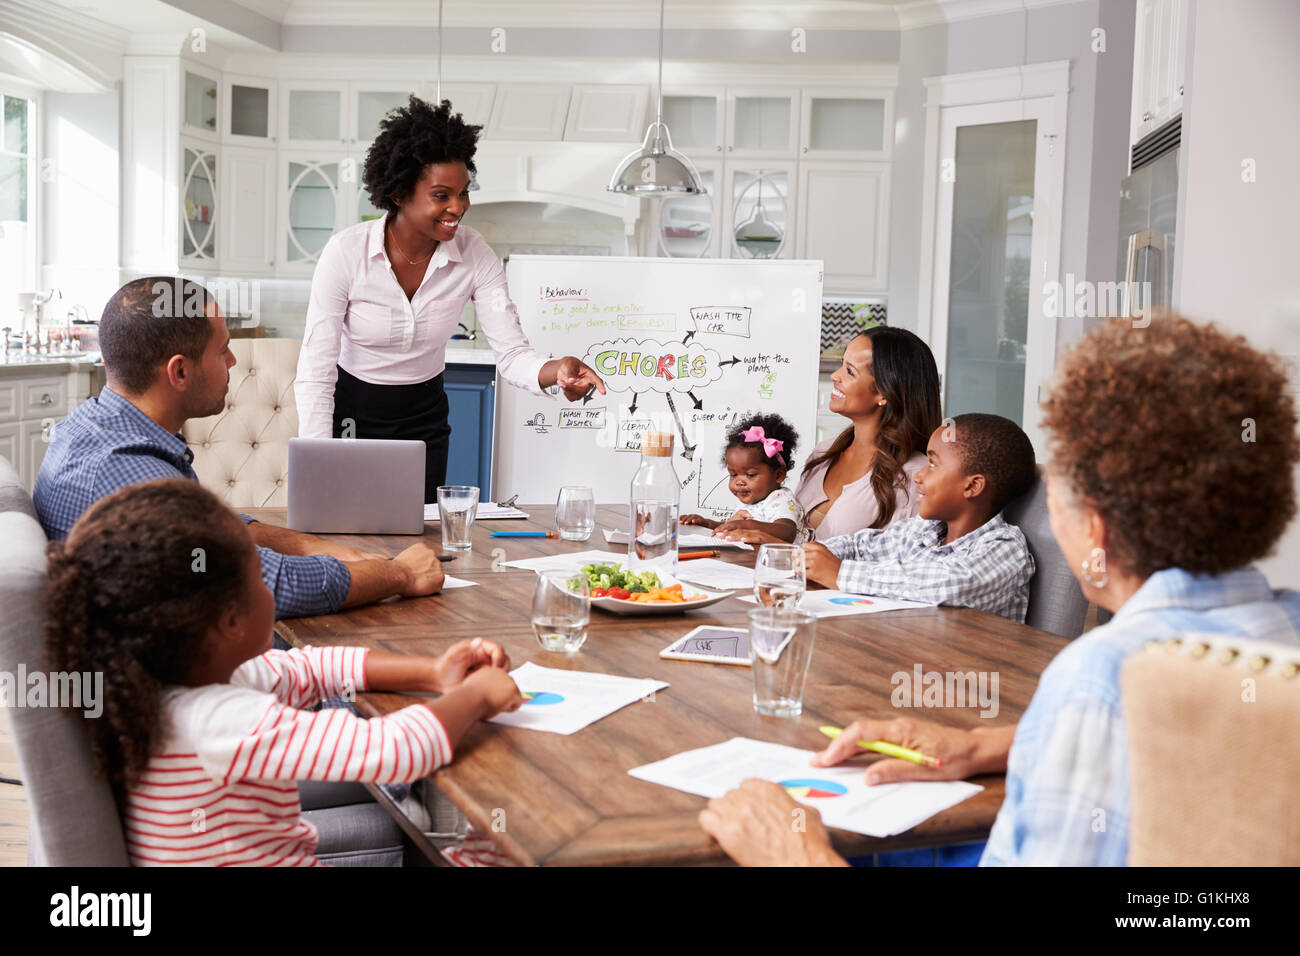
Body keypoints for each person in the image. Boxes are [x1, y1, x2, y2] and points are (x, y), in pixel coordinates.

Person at [699, 314, 1300, 866]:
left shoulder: (1099, 678)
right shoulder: (1282, 633)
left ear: (1091, 519)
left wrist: (794, 855)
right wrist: (989, 745)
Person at [44, 479, 525, 867]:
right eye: (260, 579)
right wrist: (477, 696)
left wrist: (434, 673)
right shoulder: (216, 721)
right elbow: (395, 750)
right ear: (229, 621)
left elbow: (308, 667)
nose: (273, 589)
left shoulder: (181, 683)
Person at [34, 277, 444, 620]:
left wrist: (312, 545)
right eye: (222, 349)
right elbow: (266, 587)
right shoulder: (130, 478)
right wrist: (400, 575)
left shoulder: (96, 428)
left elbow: (207, 526)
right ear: (179, 371)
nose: (232, 361)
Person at [295, 96, 606, 501]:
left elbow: (512, 354)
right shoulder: (346, 253)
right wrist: (319, 456)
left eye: (463, 194)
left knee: (414, 544)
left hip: (423, 421)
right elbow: (317, 367)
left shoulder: (475, 254)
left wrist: (557, 371)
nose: (457, 208)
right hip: (351, 415)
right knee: (346, 538)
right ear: (398, 192)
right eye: (441, 195)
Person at [803, 413, 1037, 622]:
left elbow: (949, 584)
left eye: (933, 464)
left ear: (973, 486)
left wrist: (841, 572)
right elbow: (861, 547)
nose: (919, 475)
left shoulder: (1006, 547)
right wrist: (803, 558)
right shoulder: (925, 531)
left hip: (963, 669)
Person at [717, 327, 941, 545]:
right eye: (841, 365)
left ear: (885, 392)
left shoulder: (913, 477)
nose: (835, 375)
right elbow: (790, 531)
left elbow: (896, 568)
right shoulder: (823, 453)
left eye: (850, 371)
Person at [680, 413, 807, 543]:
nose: (739, 482)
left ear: (778, 475)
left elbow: (787, 532)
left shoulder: (781, 500)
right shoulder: (752, 500)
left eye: (750, 475)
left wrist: (745, 525)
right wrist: (708, 524)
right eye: (733, 474)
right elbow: (733, 525)